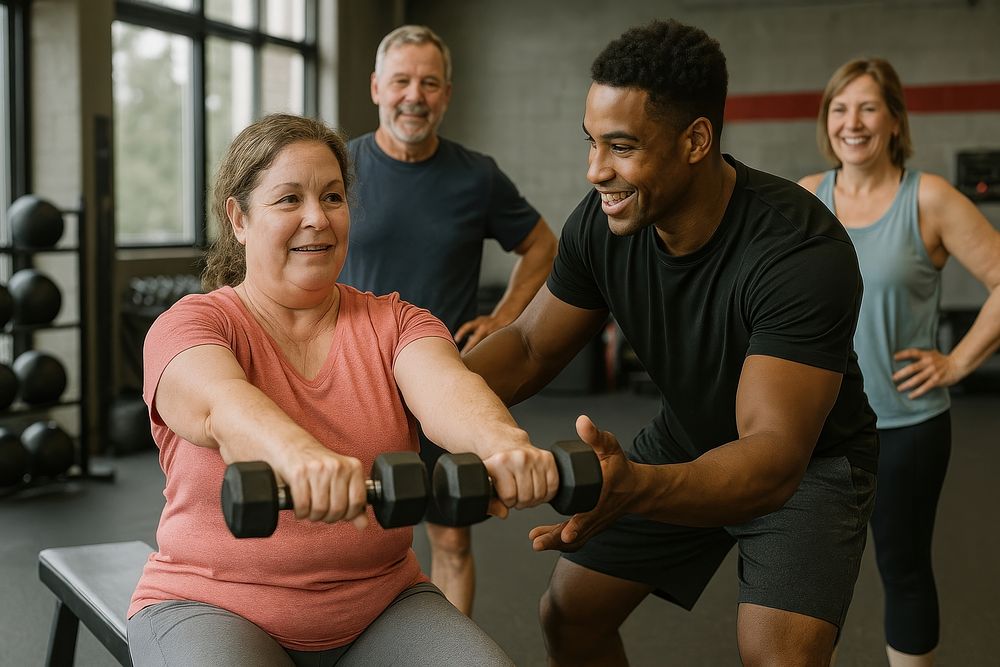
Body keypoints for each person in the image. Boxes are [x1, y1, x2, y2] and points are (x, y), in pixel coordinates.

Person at [464, 19, 880, 666]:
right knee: (570, 614)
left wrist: (640, 486)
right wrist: (413, 391)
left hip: (806, 465)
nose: (596, 170)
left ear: (695, 139)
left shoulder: (799, 251)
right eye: (591, 142)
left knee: (779, 658)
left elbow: (771, 456)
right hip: (689, 434)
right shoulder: (604, 223)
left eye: (621, 146)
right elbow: (527, 347)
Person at [125, 113, 562, 666]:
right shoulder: (193, 324)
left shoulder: (398, 321)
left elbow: (448, 389)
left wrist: (504, 444)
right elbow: (221, 406)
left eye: (332, 197)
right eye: (288, 200)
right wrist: (300, 455)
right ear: (239, 217)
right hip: (212, 603)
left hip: (379, 604)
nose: (317, 218)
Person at [338, 24, 557, 615]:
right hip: (351, 380)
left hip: (441, 383)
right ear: (377, 87)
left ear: (447, 95)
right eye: (403, 81)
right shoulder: (340, 168)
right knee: (349, 534)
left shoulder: (476, 176)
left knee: (450, 540)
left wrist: (504, 320)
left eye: (429, 83)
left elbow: (542, 246)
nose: (415, 95)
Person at [799, 58, 1000, 666]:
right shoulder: (808, 197)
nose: (851, 122)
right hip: (817, 427)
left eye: (866, 107)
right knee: (801, 576)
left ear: (893, 120)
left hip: (905, 427)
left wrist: (959, 362)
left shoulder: (930, 198)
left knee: (902, 568)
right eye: (839, 108)